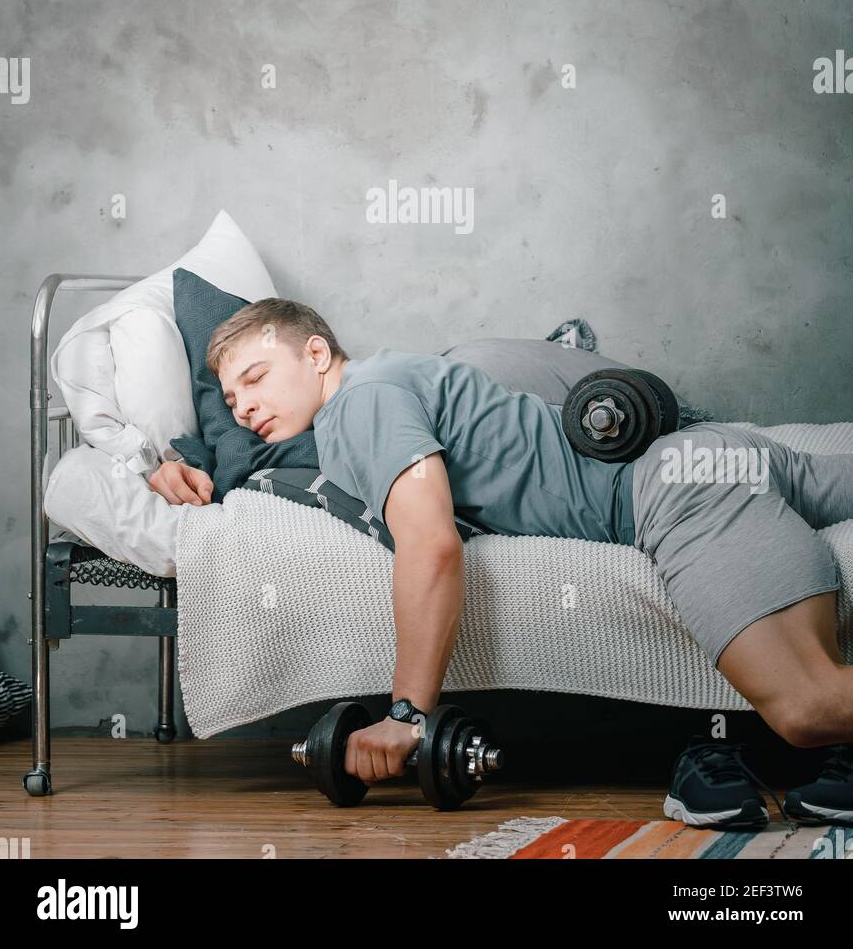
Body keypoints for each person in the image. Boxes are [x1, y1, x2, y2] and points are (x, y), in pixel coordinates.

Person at [147, 298, 853, 824]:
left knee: (806, 707)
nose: (243, 407)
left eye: (256, 377)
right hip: (714, 456)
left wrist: (406, 715)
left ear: (317, 355)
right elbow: (254, 464)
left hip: (676, 493)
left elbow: (431, 545)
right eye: (232, 397)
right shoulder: (385, 387)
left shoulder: (360, 407)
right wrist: (172, 464)